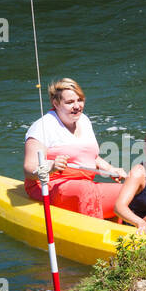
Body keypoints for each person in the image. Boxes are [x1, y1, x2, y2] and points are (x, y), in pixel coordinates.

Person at [23, 78, 127, 218]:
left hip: (83, 185)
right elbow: (29, 168)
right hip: (48, 186)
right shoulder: (42, 127)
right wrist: (51, 166)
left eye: (80, 100)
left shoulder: (83, 120)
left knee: (127, 191)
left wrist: (110, 170)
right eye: (70, 102)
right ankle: (92, 234)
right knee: (86, 189)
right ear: (56, 103)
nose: (77, 106)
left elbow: (91, 157)